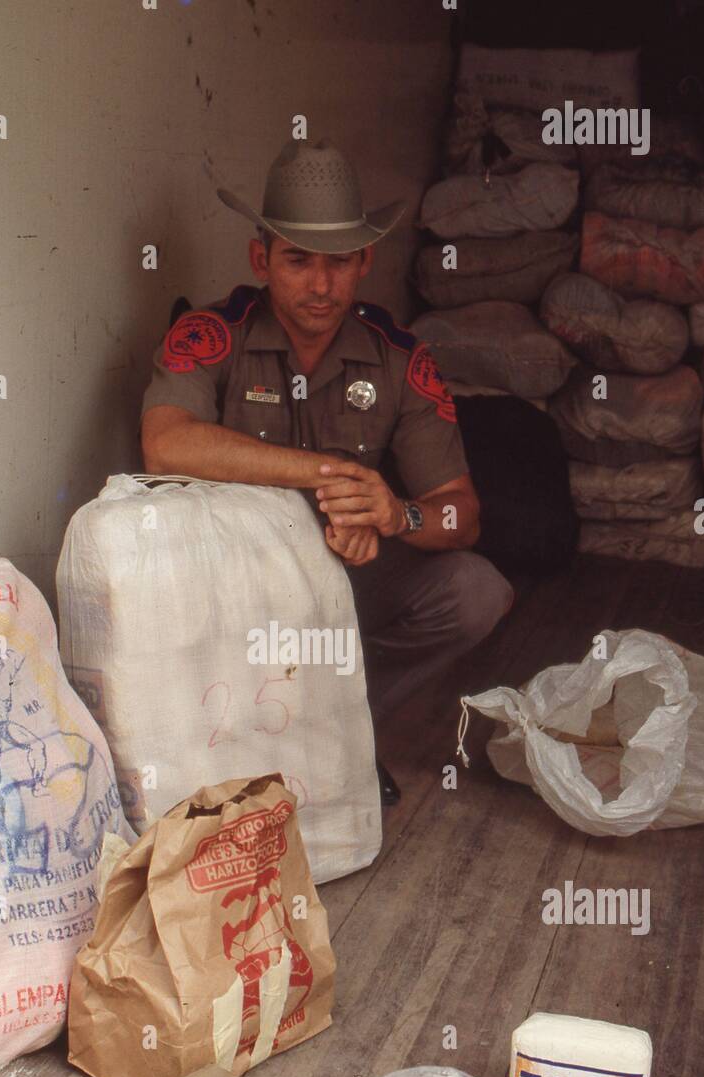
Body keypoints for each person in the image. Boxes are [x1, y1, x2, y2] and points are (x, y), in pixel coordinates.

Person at [139, 137, 513, 801]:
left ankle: (340, 728)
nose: (319, 284)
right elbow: (165, 443)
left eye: (339, 262)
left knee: (476, 590)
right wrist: (322, 476)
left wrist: (399, 515)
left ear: (365, 260)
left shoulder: (400, 359)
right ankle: (254, 740)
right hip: (236, 586)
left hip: (350, 577)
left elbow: (461, 512)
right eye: (297, 260)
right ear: (261, 258)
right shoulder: (211, 334)